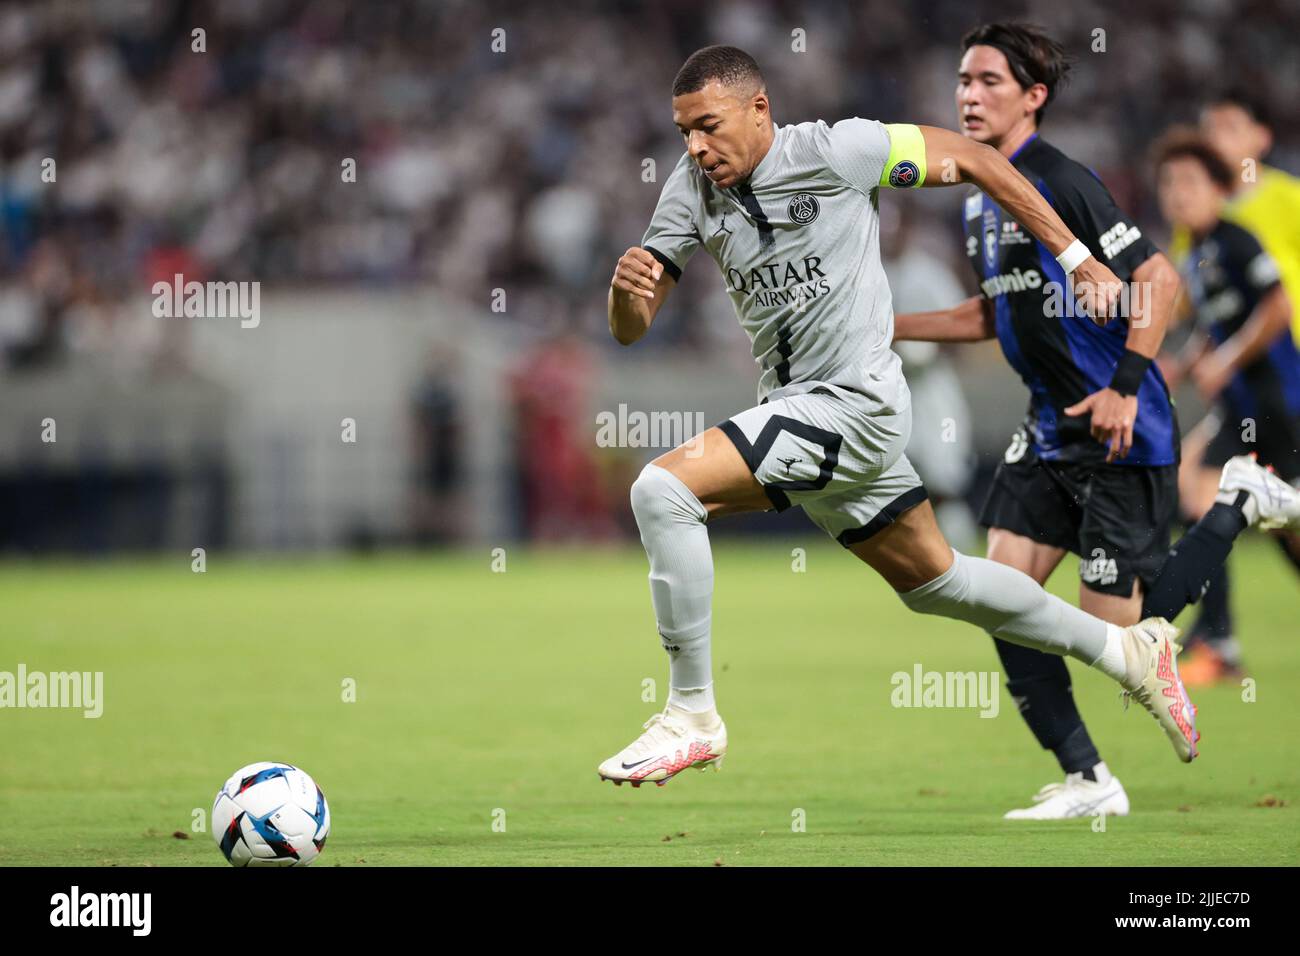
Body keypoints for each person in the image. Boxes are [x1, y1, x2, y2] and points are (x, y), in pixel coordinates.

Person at [598, 44, 1199, 792]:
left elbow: (976, 161)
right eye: (684, 130)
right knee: (938, 584)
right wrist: (629, 292)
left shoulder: (839, 149)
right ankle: (1130, 652)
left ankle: (692, 715)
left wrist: (1075, 255)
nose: (694, 146)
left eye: (708, 126)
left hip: (854, 407)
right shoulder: (688, 188)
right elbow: (632, 325)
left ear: (759, 110)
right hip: (798, 409)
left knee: (662, 490)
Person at [891, 23, 1299, 818]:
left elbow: (1155, 279)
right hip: (1047, 432)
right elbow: (990, 313)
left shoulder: (1060, 179)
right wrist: (892, 326)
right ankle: (1088, 779)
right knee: (997, 599)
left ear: (1033, 96)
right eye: (962, 82)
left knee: (1125, 636)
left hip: (1121, 427)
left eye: (988, 83)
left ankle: (1238, 501)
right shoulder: (980, 204)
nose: (967, 97)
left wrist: (1125, 385)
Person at [1154, 129, 1300, 684]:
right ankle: (1218, 641)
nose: (1177, 194)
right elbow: (1218, 327)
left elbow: (1279, 306)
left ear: (1219, 189)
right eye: (1169, 184)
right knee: (1194, 483)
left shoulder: (1237, 240)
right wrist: (1185, 363)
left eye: (1190, 182)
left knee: (1289, 525)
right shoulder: (1199, 251)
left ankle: (1218, 639)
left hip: (1280, 405)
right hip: (1242, 409)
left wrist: (1229, 360)